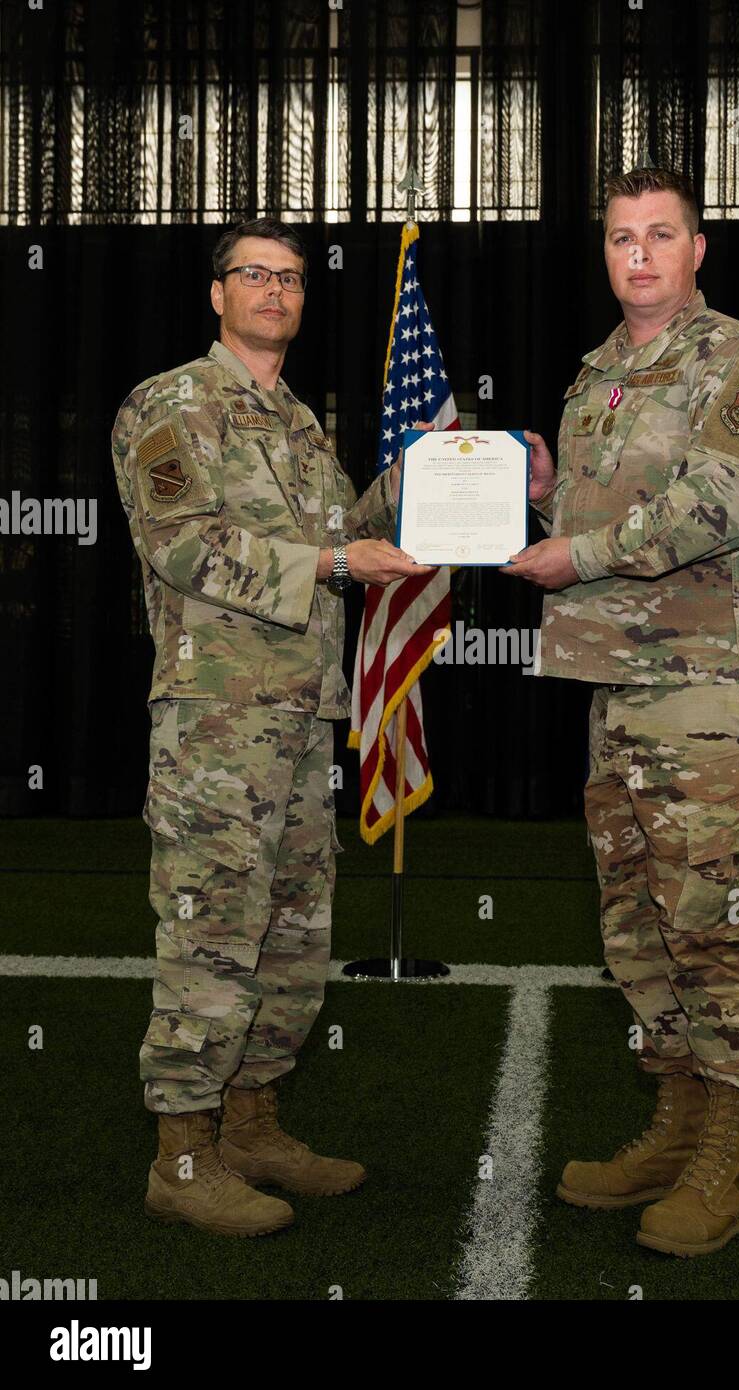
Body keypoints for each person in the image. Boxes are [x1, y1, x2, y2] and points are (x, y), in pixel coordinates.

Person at [112, 217, 434, 1237]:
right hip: (218, 724)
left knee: (293, 937)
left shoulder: (296, 422)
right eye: (254, 274)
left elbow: (347, 537)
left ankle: (251, 1123)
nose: (275, 290)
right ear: (218, 294)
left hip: (300, 718)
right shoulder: (170, 404)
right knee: (212, 933)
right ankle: (183, 1155)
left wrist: (437, 481)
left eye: (290, 277)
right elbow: (185, 548)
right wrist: (340, 563)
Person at [504, 168, 739, 1257]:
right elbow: (613, 506)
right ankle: (676, 1131)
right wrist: (544, 490)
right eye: (622, 237)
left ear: (697, 249)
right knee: (641, 928)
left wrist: (572, 548)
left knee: (721, 929)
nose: (639, 254)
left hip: (715, 697)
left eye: (660, 235)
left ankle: (729, 1163)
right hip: (620, 693)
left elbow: (719, 503)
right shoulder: (599, 378)